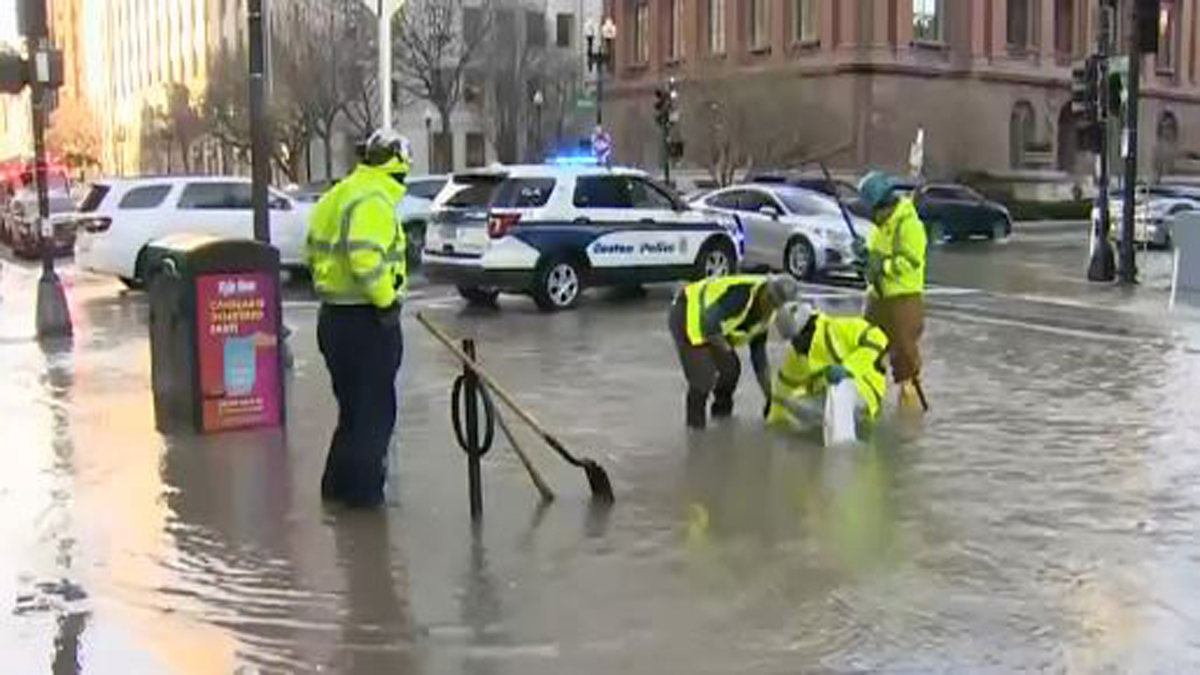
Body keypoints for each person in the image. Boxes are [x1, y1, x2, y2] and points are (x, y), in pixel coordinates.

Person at [306, 129, 412, 508]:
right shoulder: (373, 199)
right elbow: (365, 257)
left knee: (352, 414)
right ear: (399, 165)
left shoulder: (339, 194)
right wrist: (386, 302)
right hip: (366, 322)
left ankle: (336, 494)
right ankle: (365, 506)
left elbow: (313, 253)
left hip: (333, 319)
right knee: (374, 417)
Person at [668, 274, 801, 429]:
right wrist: (727, 349)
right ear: (765, 290)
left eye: (776, 305)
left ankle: (721, 417)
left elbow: (760, 362)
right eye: (770, 299)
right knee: (703, 377)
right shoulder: (740, 295)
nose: (770, 305)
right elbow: (709, 327)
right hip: (686, 313)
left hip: (711, 327)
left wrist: (770, 398)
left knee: (731, 369)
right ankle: (695, 431)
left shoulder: (765, 318)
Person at [856, 171, 927, 410]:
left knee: (904, 359)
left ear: (884, 204)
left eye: (872, 210)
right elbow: (872, 256)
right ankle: (870, 399)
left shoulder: (909, 225)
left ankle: (909, 410)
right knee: (867, 348)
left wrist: (882, 266)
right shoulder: (879, 226)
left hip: (903, 300)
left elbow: (911, 261)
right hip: (877, 298)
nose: (870, 216)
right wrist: (863, 258)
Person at [765, 302, 889, 432]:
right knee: (796, 405)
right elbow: (783, 389)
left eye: (797, 338)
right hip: (829, 395)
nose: (795, 344)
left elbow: (878, 337)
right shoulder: (797, 355)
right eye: (792, 340)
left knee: (834, 402)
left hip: (864, 389)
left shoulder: (838, 328)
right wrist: (774, 420)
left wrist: (849, 369)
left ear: (809, 327)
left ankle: (858, 425)